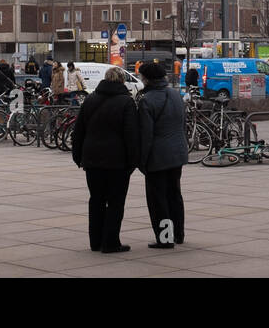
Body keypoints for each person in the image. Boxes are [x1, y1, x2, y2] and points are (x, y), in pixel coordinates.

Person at [72, 67, 140, 253]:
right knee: (116, 202)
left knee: (96, 200)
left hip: (92, 159)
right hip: (118, 162)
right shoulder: (126, 102)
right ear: (122, 81)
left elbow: (79, 131)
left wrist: (78, 157)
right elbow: (131, 135)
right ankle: (110, 242)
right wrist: (133, 161)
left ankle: (96, 241)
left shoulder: (90, 100)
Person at [137, 62, 188, 248]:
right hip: (178, 152)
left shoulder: (147, 100)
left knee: (158, 199)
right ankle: (179, 234)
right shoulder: (176, 95)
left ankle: (165, 238)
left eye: (142, 76)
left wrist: (141, 160)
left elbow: (146, 134)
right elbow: (183, 123)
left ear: (147, 78)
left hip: (158, 156)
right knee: (174, 194)